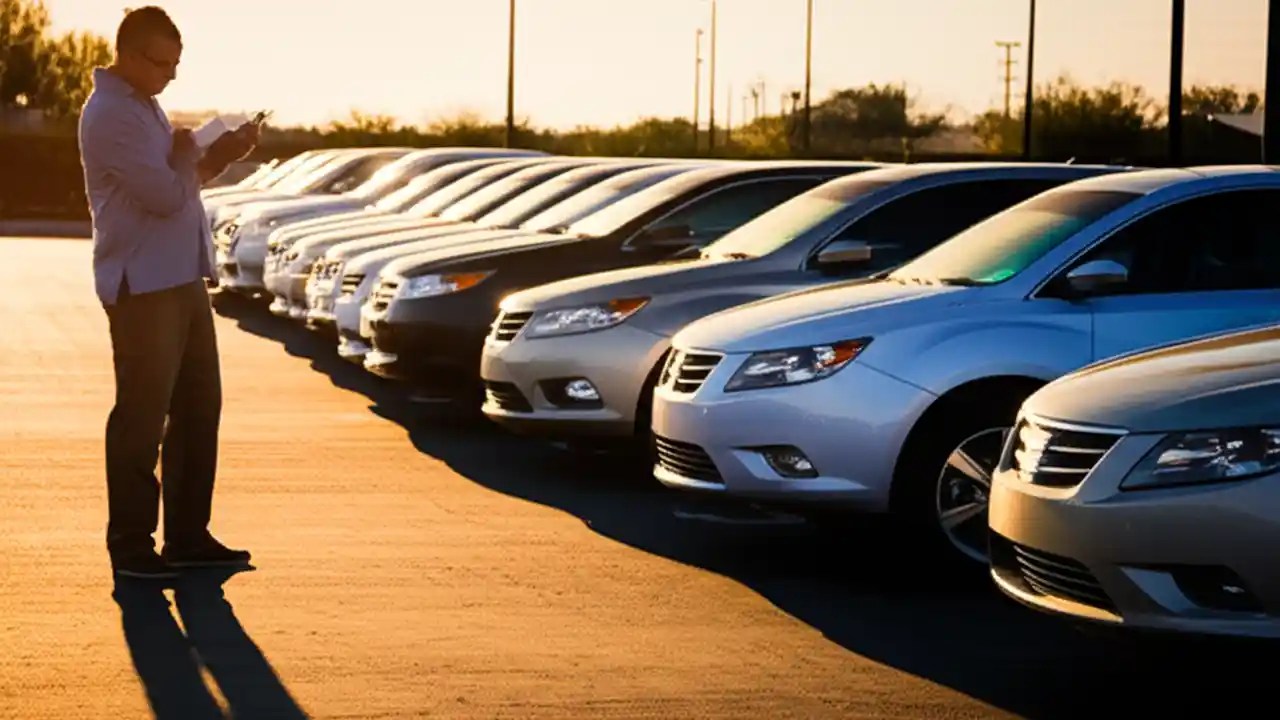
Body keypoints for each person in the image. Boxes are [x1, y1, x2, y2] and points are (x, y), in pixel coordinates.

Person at [79, 6, 259, 579]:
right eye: (162, 63)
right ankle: (131, 545)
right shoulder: (111, 113)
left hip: (180, 279)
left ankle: (186, 536)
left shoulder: (144, 105)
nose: (171, 76)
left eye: (177, 64)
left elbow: (177, 186)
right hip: (143, 285)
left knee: (198, 407)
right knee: (142, 415)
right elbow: (162, 193)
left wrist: (219, 156)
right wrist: (192, 153)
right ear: (128, 56)